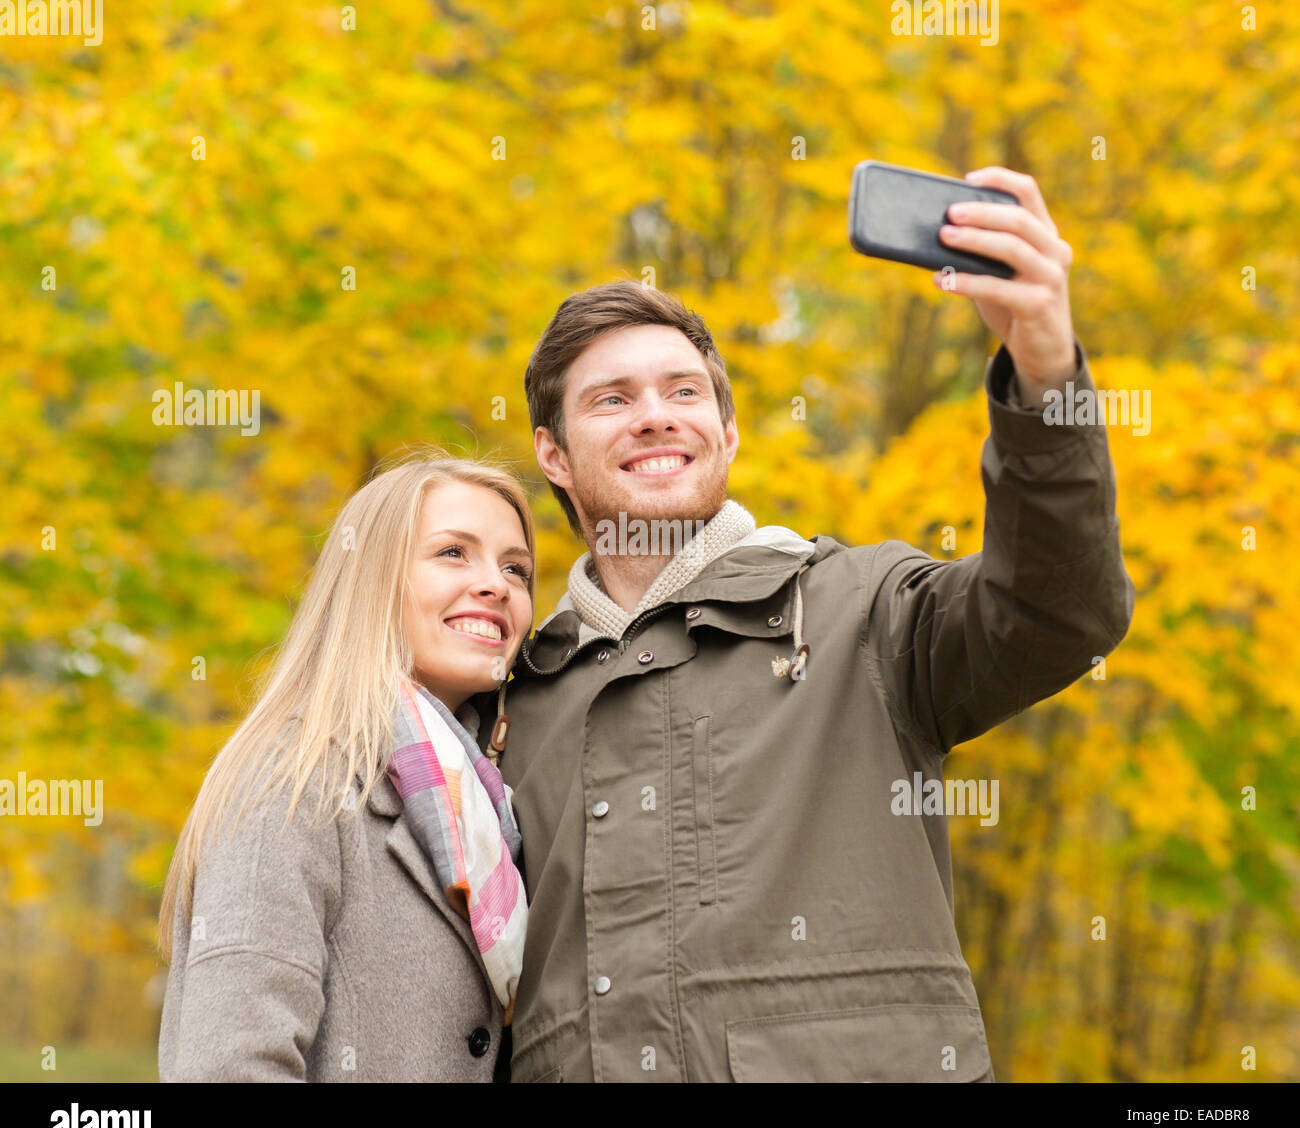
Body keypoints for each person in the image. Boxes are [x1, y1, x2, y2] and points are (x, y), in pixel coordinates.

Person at [484, 167, 1135, 1081]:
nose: (655, 418)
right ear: (553, 452)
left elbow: (1060, 609)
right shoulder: (512, 706)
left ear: (729, 432)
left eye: (683, 392)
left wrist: (1044, 370)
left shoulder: (862, 610)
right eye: (612, 399)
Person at [157, 455, 535, 1081]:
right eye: (452, 554)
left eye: (516, 568)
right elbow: (231, 1064)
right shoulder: (293, 777)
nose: (495, 584)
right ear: (371, 580)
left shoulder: (488, 805)